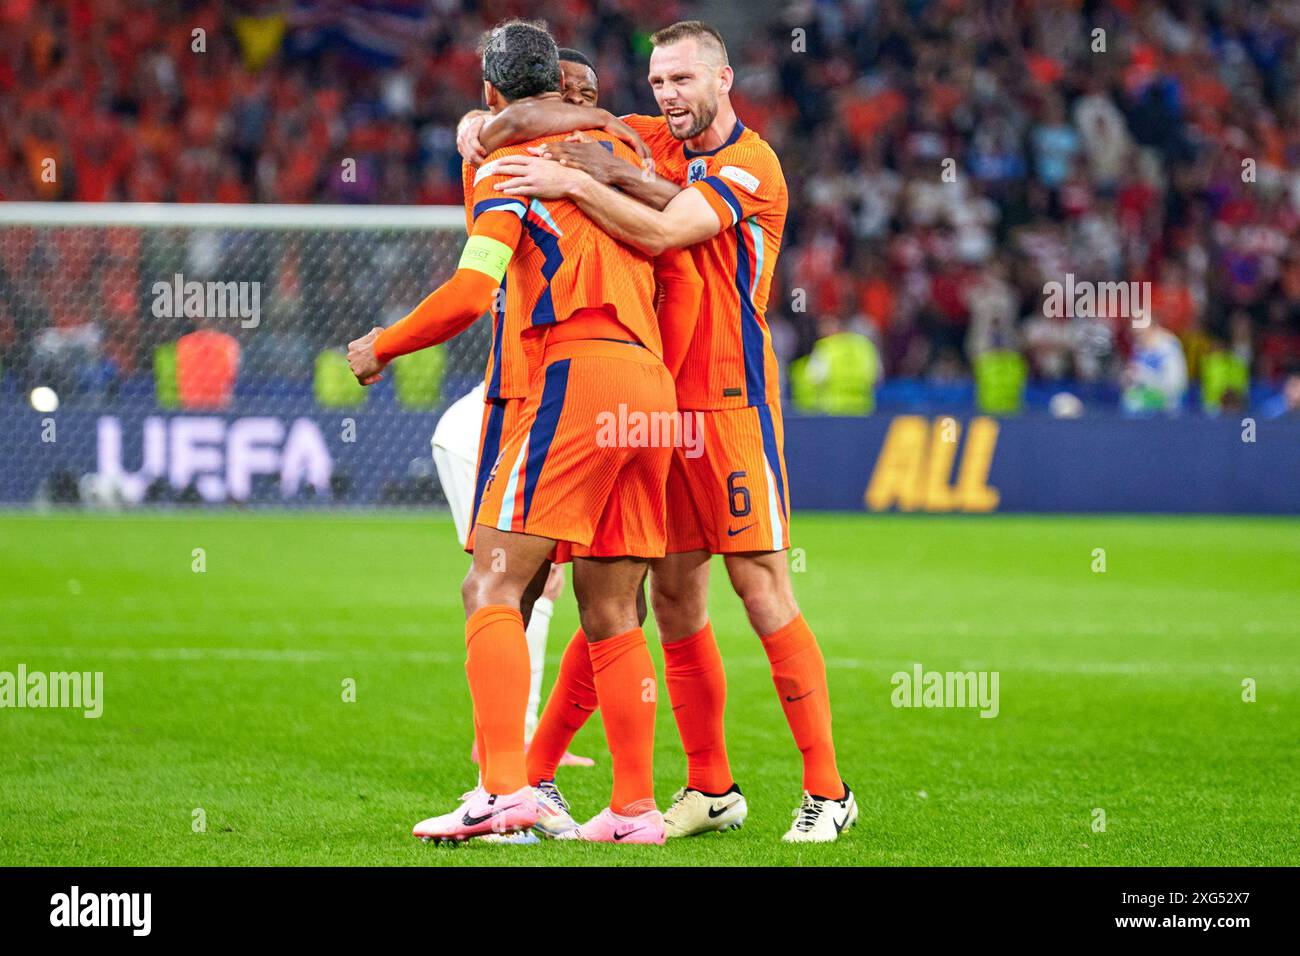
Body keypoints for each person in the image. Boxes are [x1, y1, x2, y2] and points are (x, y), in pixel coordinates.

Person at [476, 20, 856, 842]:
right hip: (654, 406)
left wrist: (580, 183)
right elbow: (565, 115)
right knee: (662, 598)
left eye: (683, 80)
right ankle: (708, 788)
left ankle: (828, 790)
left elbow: (662, 229)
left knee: (761, 590)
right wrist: (485, 124)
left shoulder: (751, 166)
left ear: (725, 80)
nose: (668, 97)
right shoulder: (654, 137)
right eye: (658, 84)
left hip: (729, 405)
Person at [348, 20, 687, 845]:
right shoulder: (626, 155)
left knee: (494, 585)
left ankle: (505, 792)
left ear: (494, 94)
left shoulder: (511, 164)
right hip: (652, 392)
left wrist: (380, 344)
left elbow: (472, 294)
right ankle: (635, 808)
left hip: (578, 368)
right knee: (613, 608)